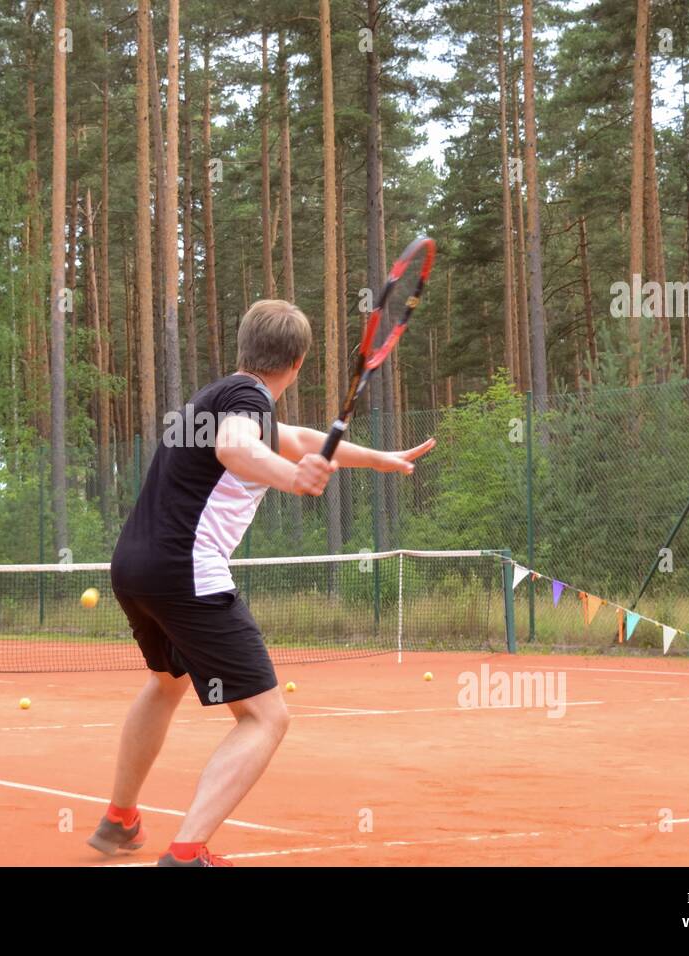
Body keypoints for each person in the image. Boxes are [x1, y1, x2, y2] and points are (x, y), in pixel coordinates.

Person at [88, 299, 435, 866]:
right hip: (185, 571)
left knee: (166, 684)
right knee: (266, 717)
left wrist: (377, 458)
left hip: (135, 568)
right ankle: (187, 852)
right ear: (296, 365)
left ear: (244, 347)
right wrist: (291, 478)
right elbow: (238, 449)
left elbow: (296, 439)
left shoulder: (214, 397)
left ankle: (120, 818)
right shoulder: (246, 403)